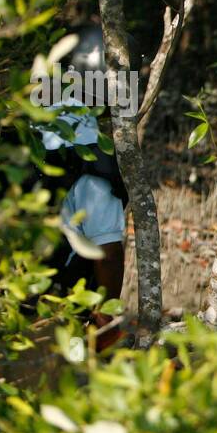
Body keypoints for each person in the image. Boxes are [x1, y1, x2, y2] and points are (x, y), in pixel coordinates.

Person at [33, 25, 128, 349]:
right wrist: (106, 319)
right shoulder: (90, 149)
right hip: (55, 314)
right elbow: (108, 253)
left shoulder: (26, 125)